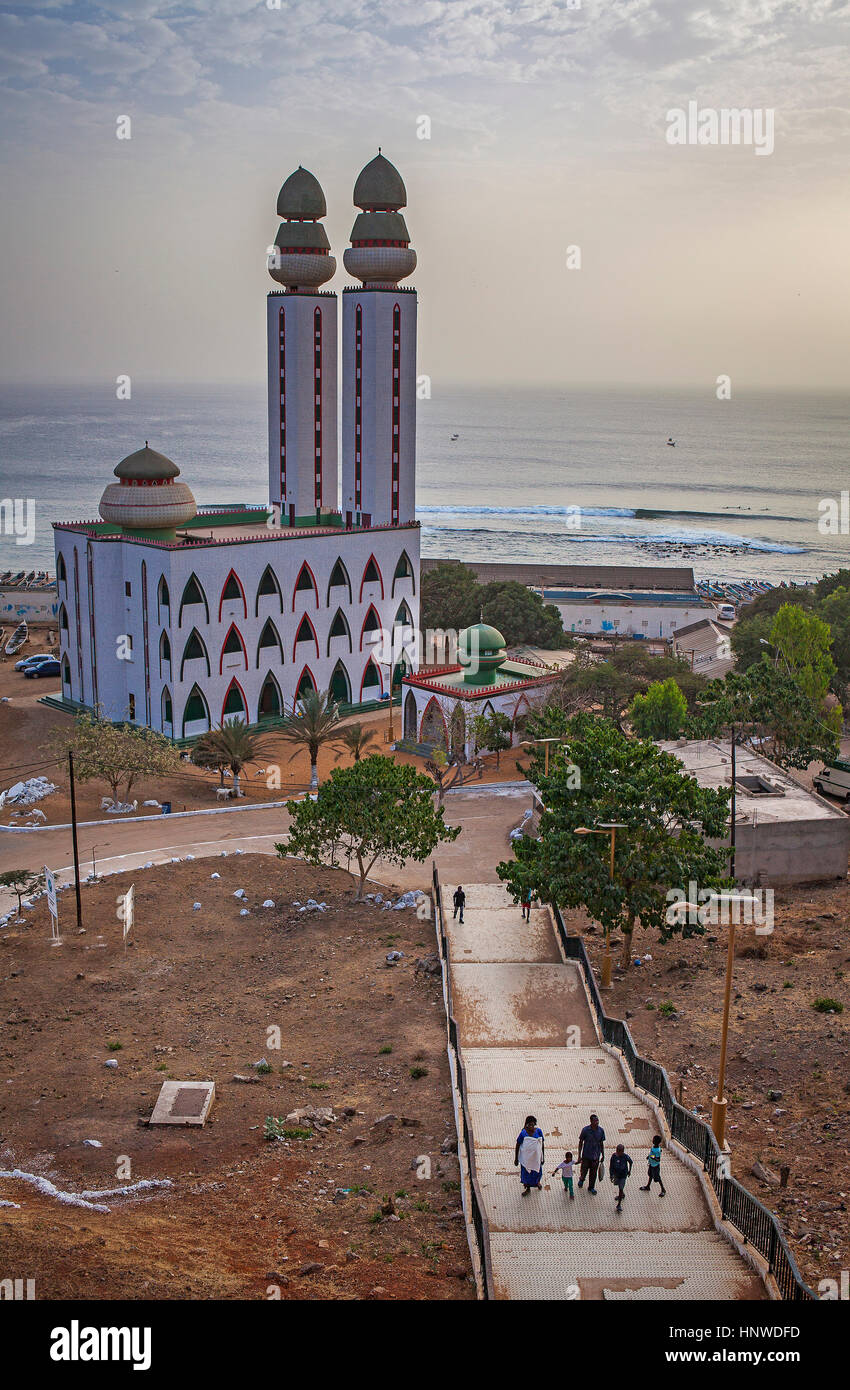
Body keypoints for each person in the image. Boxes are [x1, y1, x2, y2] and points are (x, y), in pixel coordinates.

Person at [514, 1115, 544, 1195]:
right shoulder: (523, 1133)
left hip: (536, 1157)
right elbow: (518, 1144)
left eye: (532, 1124)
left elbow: (541, 1144)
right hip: (526, 1158)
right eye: (529, 1124)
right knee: (526, 1173)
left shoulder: (538, 1131)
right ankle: (527, 1188)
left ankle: (537, 1182)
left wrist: (542, 1156)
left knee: (537, 1172)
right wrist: (516, 1158)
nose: (531, 1126)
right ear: (526, 1124)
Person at [577, 1113, 605, 1194]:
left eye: (597, 1120)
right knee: (583, 1170)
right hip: (586, 1155)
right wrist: (579, 1155)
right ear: (591, 1121)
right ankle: (582, 1179)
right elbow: (581, 1142)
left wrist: (603, 1154)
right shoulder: (585, 1130)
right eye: (595, 1120)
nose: (597, 1122)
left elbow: (601, 1143)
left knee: (593, 1174)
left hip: (595, 1156)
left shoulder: (601, 1131)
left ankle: (591, 1187)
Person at [609, 1143, 633, 1212]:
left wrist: (629, 1171)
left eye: (620, 1151)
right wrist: (611, 1175)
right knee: (618, 1185)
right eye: (617, 1151)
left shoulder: (625, 1157)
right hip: (616, 1174)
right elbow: (611, 1166)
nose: (618, 1153)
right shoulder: (614, 1156)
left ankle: (619, 1204)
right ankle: (622, 1194)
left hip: (623, 1175)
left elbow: (631, 1162)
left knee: (621, 1188)